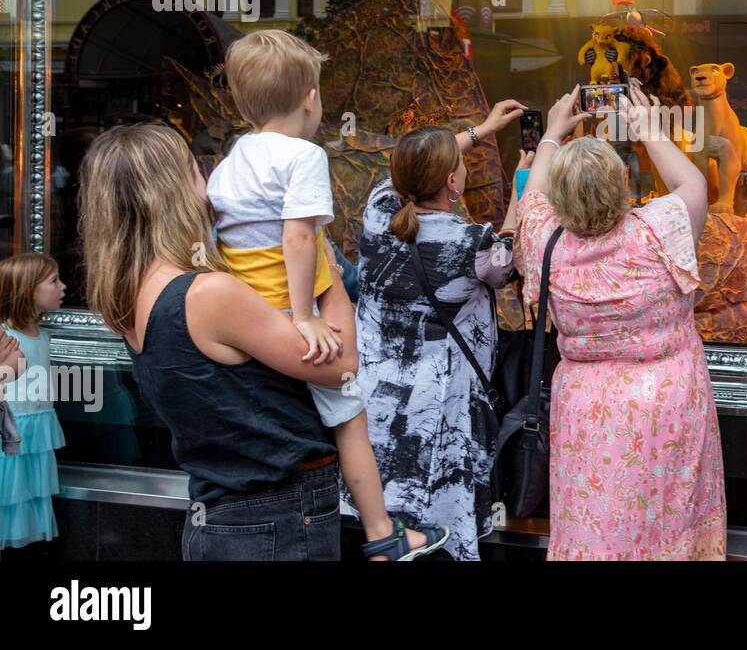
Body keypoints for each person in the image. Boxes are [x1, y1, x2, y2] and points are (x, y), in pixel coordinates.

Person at [205, 29, 443, 560]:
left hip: (246, 315)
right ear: (311, 99)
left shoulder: (232, 159)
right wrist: (307, 315)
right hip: (290, 310)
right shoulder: (303, 156)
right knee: (349, 415)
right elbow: (297, 236)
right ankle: (382, 534)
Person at [79, 123, 357, 560]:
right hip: (275, 517)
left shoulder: (127, 295)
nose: (208, 187)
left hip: (220, 516)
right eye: (196, 171)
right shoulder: (206, 294)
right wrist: (321, 261)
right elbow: (342, 367)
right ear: (174, 191)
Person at [515, 81, 727, 560]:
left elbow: (532, 197)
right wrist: (648, 127)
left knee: (596, 518)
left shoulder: (543, 240)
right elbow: (691, 183)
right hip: (666, 398)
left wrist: (552, 132)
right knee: (670, 516)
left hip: (586, 404)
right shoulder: (659, 231)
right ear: (623, 183)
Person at [354, 102, 534, 562]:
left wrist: (481, 131)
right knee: (440, 531)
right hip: (438, 413)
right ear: (454, 183)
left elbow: (408, 169)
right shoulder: (470, 243)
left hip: (376, 404)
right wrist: (526, 177)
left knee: (384, 526)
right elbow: (509, 252)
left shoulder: (379, 212)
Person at [0, 254, 67, 551]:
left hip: (35, 435)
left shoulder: (42, 335)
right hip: (11, 438)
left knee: (28, 501)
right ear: (27, 290)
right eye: (54, 281)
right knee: (9, 499)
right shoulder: (5, 336)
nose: (63, 287)